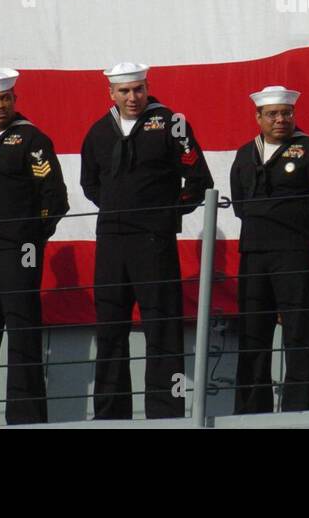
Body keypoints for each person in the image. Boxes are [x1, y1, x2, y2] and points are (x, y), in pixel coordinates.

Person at [80, 63, 212, 419]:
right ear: (112, 93)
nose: (132, 97)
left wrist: (164, 214)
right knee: (110, 328)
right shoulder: (97, 132)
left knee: (163, 327)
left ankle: (166, 412)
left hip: (154, 241)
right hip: (111, 241)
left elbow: (198, 179)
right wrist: (118, 208)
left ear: (147, 88)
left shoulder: (172, 124)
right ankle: (110, 414)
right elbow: (90, 184)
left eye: (138, 89)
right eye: (124, 91)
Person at [0, 68, 68, 426]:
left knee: (22, 336)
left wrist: (30, 238)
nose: (0, 105)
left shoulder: (31, 140)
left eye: (5, 98)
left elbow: (54, 197)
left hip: (19, 252)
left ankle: (26, 418)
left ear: (14, 100)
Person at [230, 86, 309, 414]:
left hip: (295, 254)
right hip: (253, 255)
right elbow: (240, 203)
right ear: (258, 117)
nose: (280, 119)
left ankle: (298, 411)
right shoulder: (244, 154)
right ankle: (251, 412)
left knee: (299, 334)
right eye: (273, 114)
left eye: (286, 113)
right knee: (253, 334)